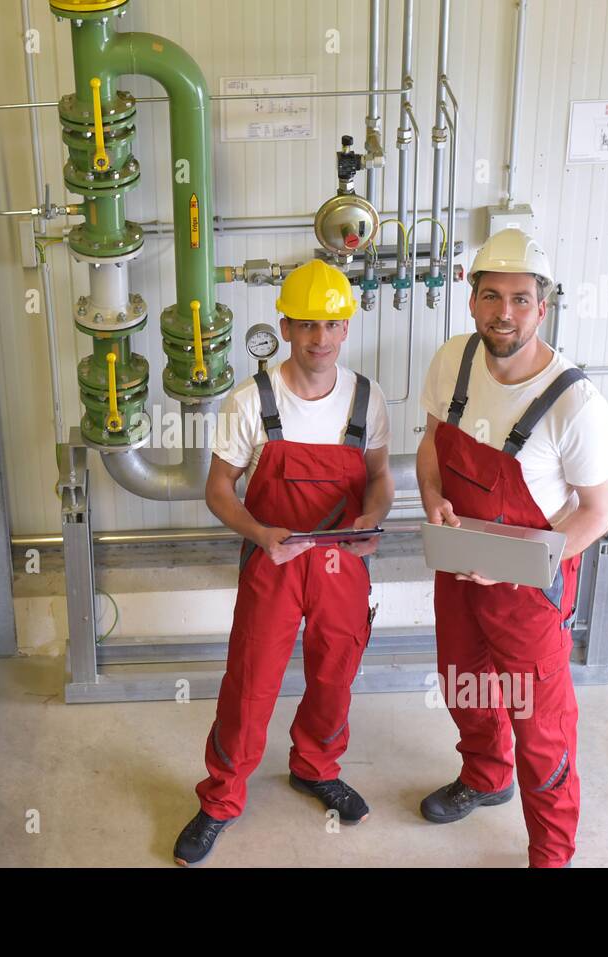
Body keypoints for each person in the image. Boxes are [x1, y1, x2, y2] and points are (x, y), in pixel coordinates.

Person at [172, 259, 394, 866]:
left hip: (341, 564)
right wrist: (258, 532)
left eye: (330, 324)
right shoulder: (250, 400)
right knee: (250, 682)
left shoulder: (367, 399)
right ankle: (220, 798)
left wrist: (371, 520)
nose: (318, 338)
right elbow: (219, 488)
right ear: (285, 326)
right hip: (271, 560)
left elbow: (379, 478)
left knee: (334, 674)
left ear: (346, 327)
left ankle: (316, 767)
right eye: (304, 325)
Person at [415, 227, 608, 868]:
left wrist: (528, 560)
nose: (506, 312)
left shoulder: (576, 404)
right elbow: (429, 443)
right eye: (492, 296)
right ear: (471, 300)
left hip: (529, 584)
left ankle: (551, 855)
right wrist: (431, 499)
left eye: (522, 299)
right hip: (457, 559)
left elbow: (599, 512)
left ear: (543, 306)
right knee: (463, 683)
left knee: (541, 727)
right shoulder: (453, 359)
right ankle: (484, 774)